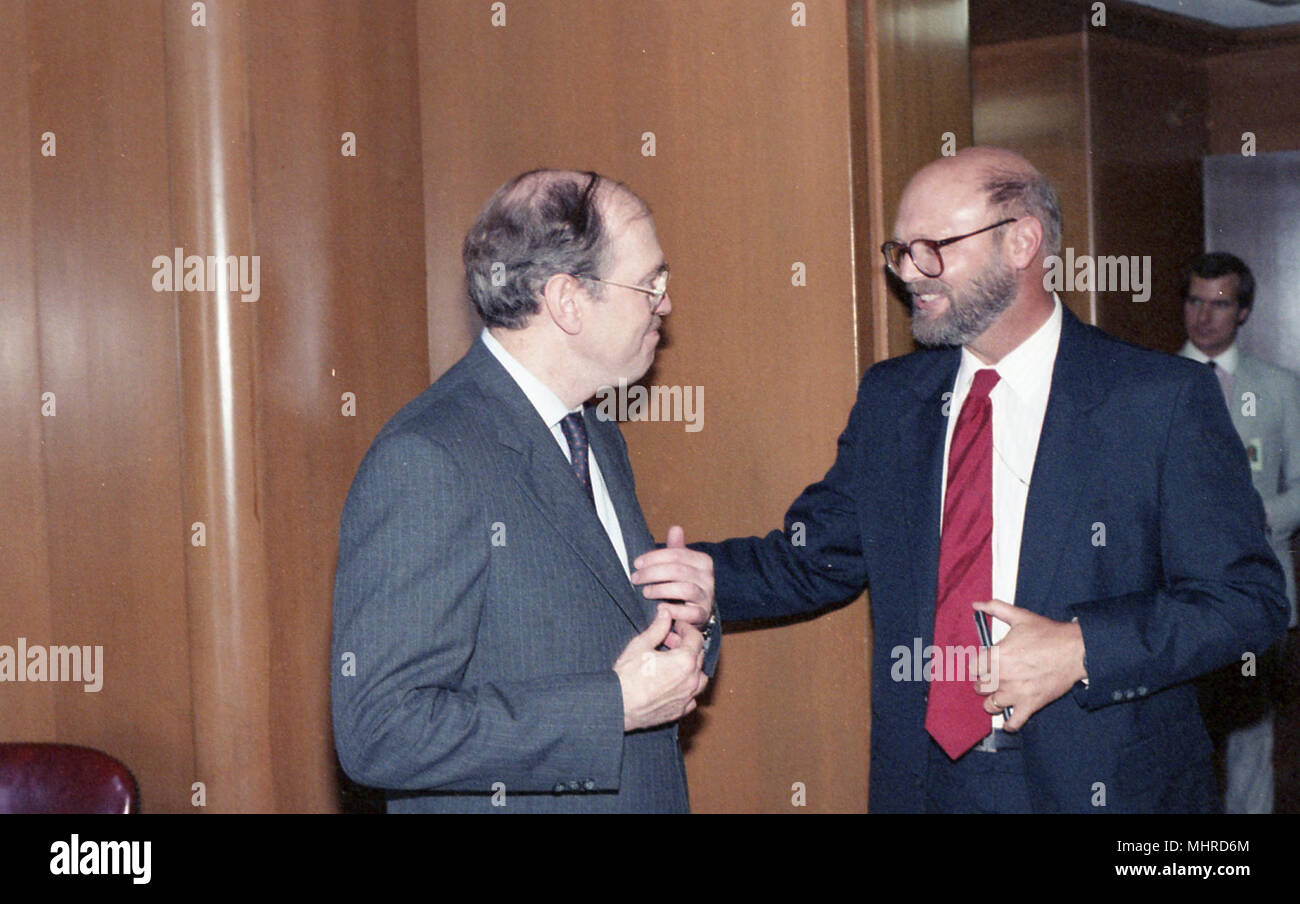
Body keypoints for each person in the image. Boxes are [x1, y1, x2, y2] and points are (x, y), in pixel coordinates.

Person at [646, 147, 1288, 812]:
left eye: (932, 248)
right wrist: (707, 578)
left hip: (1105, 785)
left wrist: (1081, 648)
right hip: (928, 783)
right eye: (899, 251)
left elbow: (1248, 601)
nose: (909, 274)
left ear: (1021, 241)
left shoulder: (1157, 399)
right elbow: (818, 554)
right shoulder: (894, 400)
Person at [331, 169, 717, 813]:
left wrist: (686, 616)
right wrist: (611, 708)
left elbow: (597, 639)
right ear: (567, 300)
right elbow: (380, 732)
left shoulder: (592, 430)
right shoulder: (427, 458)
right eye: (649, 283)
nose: (665, 302)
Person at [1179, 251, 1300, 814]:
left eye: (1220, 303)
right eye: (1195, 301)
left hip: (1258, 590)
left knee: (1252, 732)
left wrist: (1262, 516)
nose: (1205, 317)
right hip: (1178, 595)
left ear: (1244, 311)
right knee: (1182, 734)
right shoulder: (1154, 382)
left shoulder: (1278, 387)